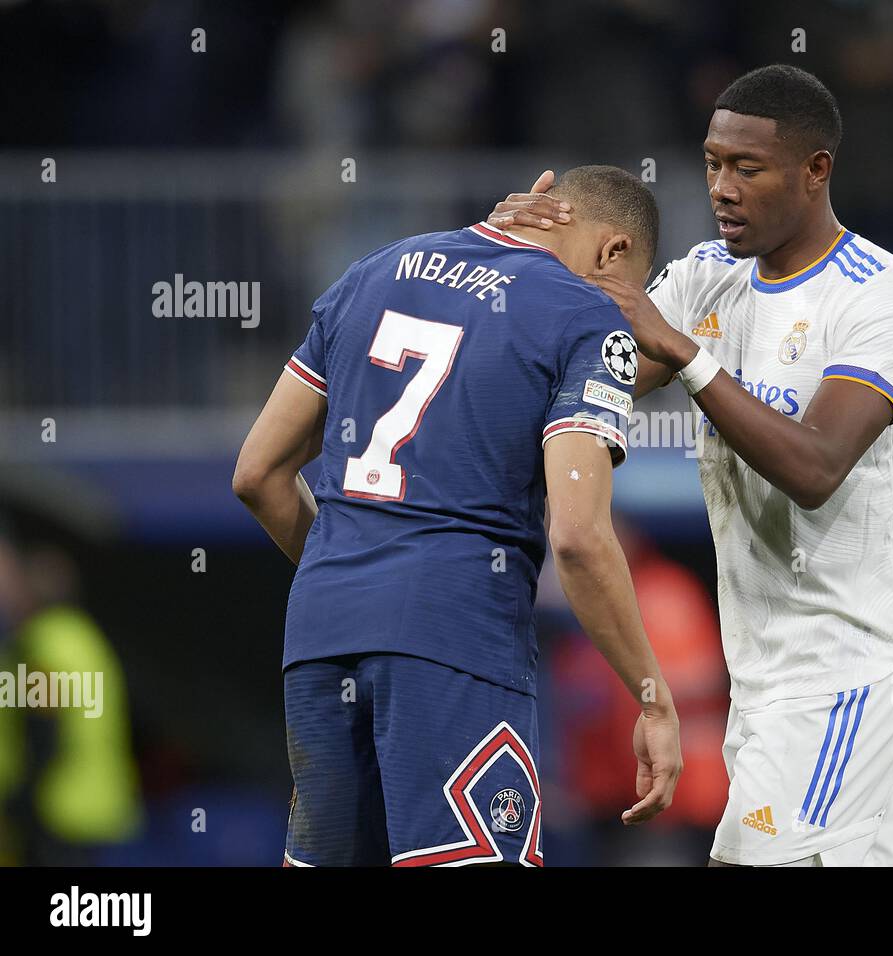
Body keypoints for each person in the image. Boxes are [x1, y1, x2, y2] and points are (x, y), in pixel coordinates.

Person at [489, 65, 893, 866]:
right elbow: (593, 372)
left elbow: (816, 466)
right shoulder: (706, 276)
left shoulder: (880, 299)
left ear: (817, 171)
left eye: (748, 168)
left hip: (844, 673)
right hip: (763, 680)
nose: (722, 188)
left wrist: (690, 356)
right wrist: (517, 260)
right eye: (712, 163)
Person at [234, 165, 682, 867]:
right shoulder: (583, 314)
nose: (624, 304)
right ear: (614, 252)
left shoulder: (374, 271)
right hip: (457, 634)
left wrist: (354, 572)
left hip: (320, 631)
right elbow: (578, 536)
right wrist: (652, 698)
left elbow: (257, 474)